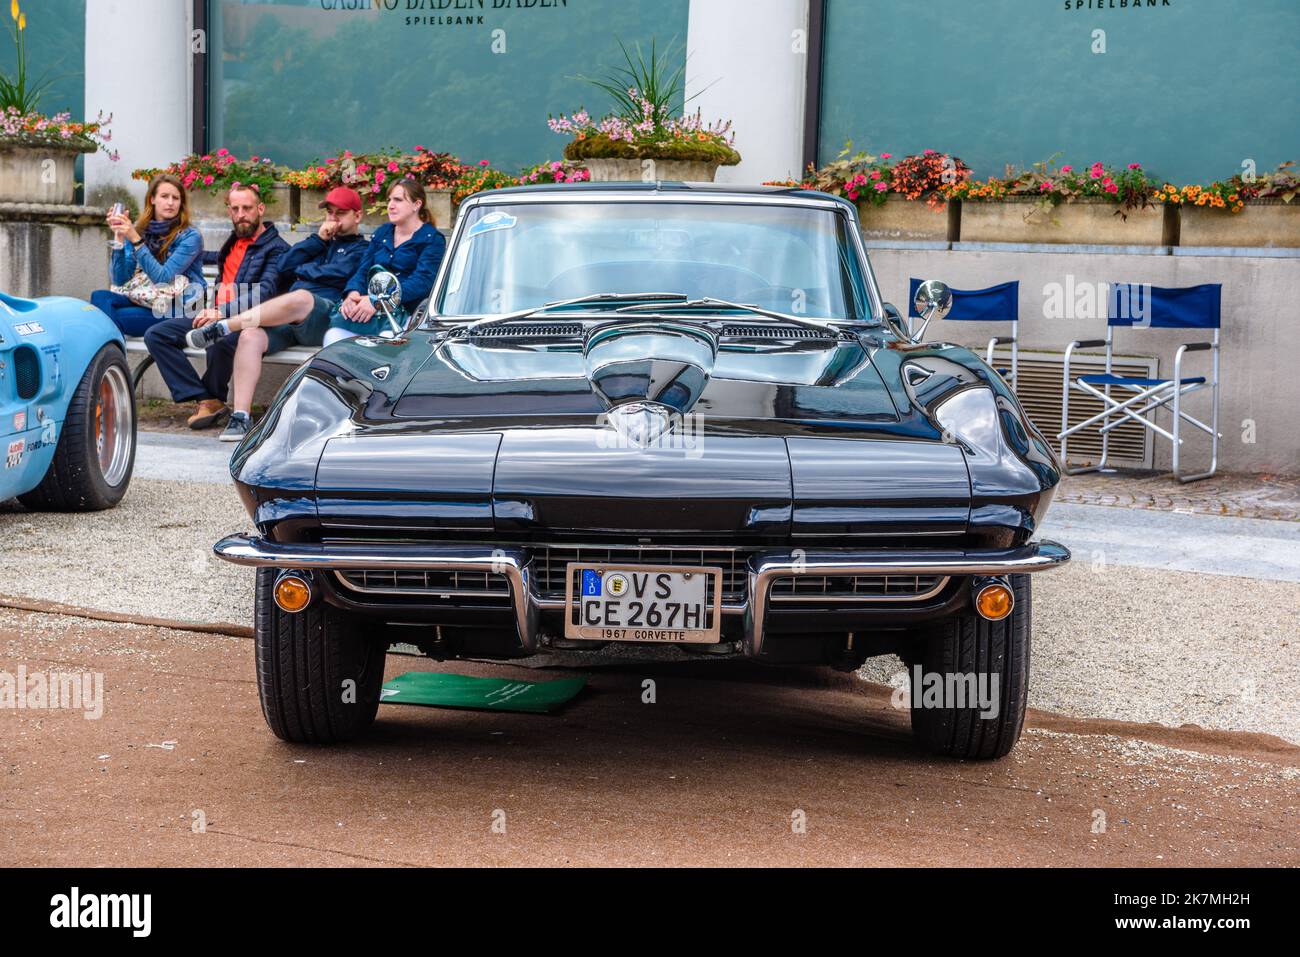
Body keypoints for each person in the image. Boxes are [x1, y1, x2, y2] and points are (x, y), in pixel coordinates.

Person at [184, 186, 368, 441]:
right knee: (250, 336)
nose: (333, 219)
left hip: (325, 316)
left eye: (341, 214)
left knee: (300, 297)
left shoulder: (362, 249)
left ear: (357, 216)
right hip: (290, 317)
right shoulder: (319, 243)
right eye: (329, 213)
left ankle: (225, 327)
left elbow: (336, 275)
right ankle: (240, 417)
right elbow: (284, 265)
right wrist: (318, 241)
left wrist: (306, 272)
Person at [143, 183, 290, 429]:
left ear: (261, 209)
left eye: (247, 208)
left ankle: (213, 398)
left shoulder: (277, 249)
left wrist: (222, 312)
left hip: (247, 320)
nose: (241, 214)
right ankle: (206, 398)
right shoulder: (232, 243)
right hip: (212, 315)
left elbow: (265, 291)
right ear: (229, 212)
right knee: (157, 335)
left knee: (218, 337)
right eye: (235, 208)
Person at [322, 178, 446, 345]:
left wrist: (378, 301)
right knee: (333, 336)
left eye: (398, 200)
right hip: (373, 314)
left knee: (388, 341)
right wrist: (352, 295)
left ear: (417, 205)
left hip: (407, 316)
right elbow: (363, 270)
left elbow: (422, 282)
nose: (391, 205)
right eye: (389, 200)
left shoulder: (432, 239)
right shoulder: (383, 232)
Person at [90, 173, 205, 336]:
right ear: (152, 199)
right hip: (144, 298)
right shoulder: (140, 230)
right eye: (164, 196)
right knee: (100, 298)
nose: (170, 202)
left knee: (107, 318)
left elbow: (163, 278)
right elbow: (120, 279)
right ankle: (111, 357)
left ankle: (110, 358)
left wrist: (136, 239)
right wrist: (120, 237)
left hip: (176, 309)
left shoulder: (190, 236)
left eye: (176, 198)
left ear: (181, 203)